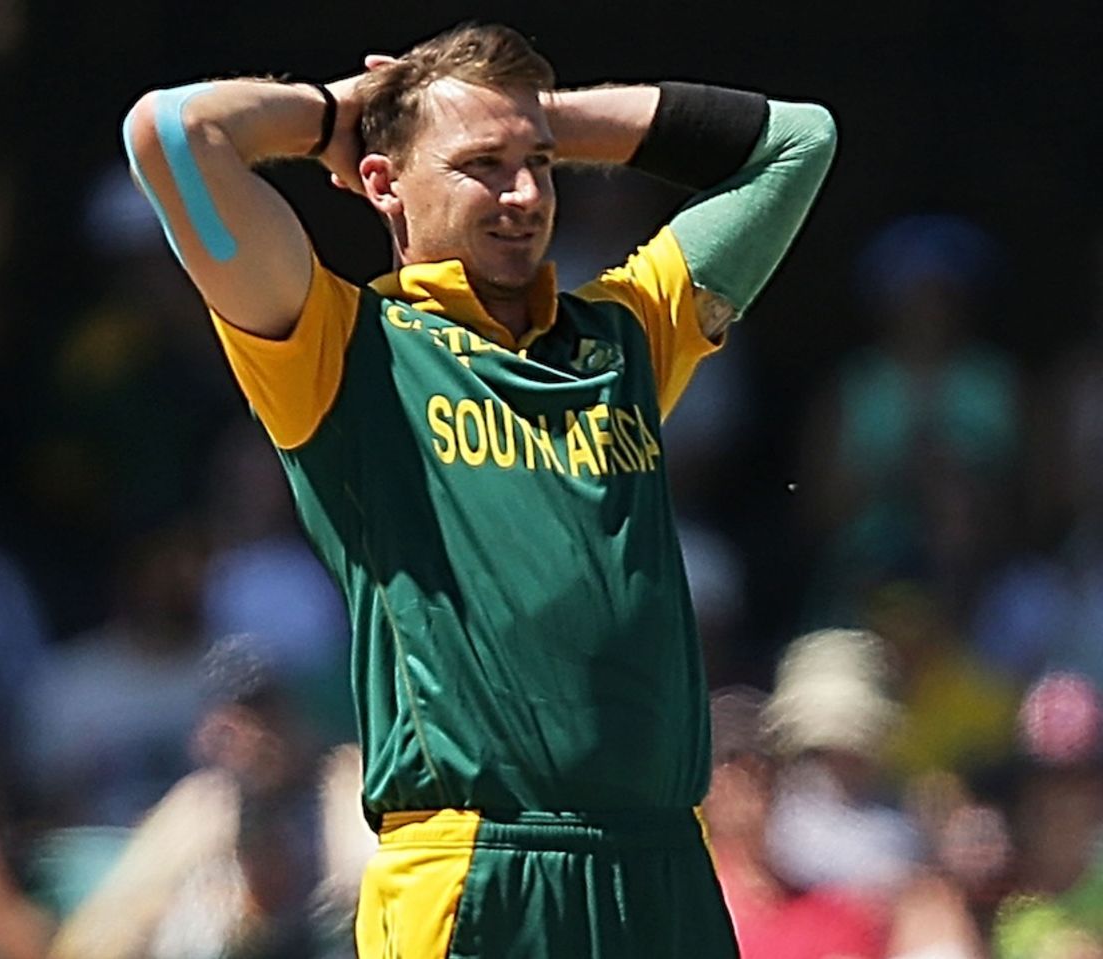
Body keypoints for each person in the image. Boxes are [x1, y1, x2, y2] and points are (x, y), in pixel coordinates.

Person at [122, 22, 836, 958]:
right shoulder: (343, 346)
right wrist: (345, 114)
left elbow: (799, 140)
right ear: (383, 184)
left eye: (538, 163)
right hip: (475, 867)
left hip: (663, 861)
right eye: (483, 165)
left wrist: (546, 119)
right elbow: (171, 134)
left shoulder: (625, 336)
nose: (527, 193)